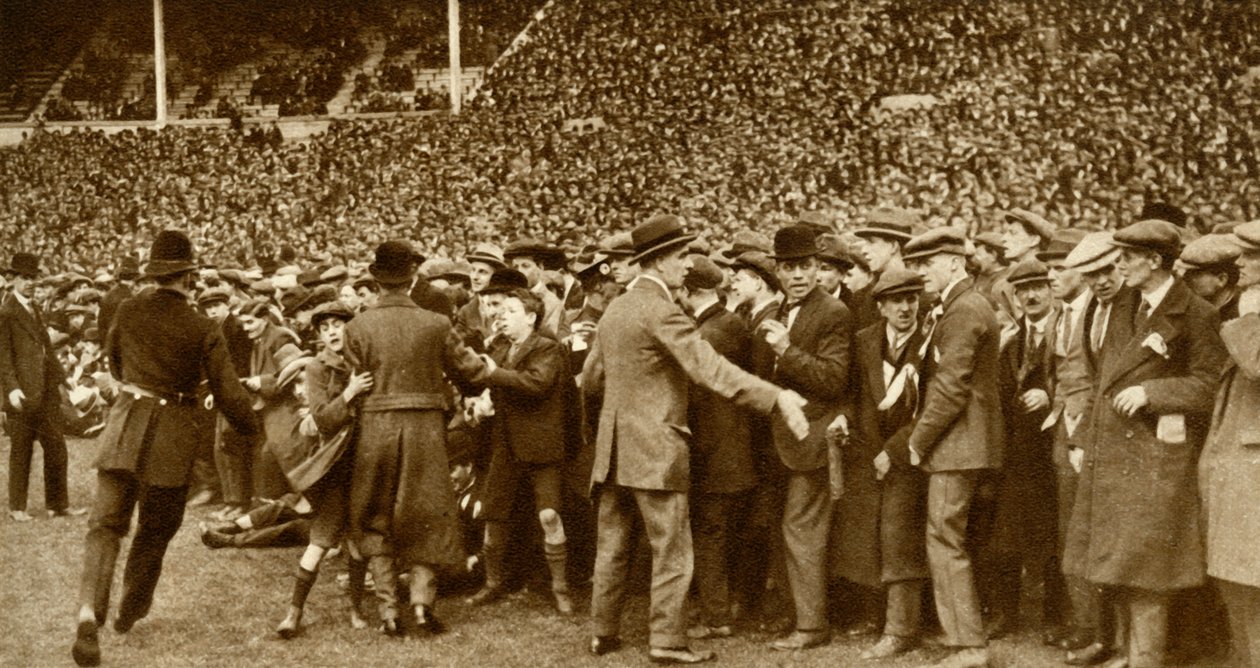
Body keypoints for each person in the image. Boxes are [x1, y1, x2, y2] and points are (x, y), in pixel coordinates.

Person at [581, 214, 810, 665]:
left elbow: (591, 380)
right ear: (661, 260)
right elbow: (711, 370)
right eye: (682, 255)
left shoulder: (615, 308)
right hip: (655, 447)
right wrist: (777, 395)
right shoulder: (661, 310)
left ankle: (601, 633)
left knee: (612, 545)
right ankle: (666, 641)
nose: (688, 265)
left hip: (613, 447)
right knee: (672, 549)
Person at [71, 230, 260, 668]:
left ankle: (87, 611)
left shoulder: (127, 308)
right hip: (171, 439)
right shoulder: (203, 325)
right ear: (189, 276)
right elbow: (229, 392)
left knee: (104, 525)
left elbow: (114, 363)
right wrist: (249, 429)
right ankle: (129, 609)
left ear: (156, 273)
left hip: (123, 427)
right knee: (155, 531)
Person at [1063, 219, 1228, 668]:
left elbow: (1209, 386)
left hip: (1158, 460)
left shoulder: (1195, 313)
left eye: (1129, 258)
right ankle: (1130, 653)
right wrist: (1081, 438)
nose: (1121, 265)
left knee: (1149, 574)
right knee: (1118, 567)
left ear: (1155, 261)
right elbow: (1102, 381)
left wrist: (1153, 393)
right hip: (1114, 454)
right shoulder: (1125, 304)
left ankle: (1146, 660)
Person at [342, 239, 485, 637]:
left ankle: (389, 612)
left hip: (375, 429)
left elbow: (352, 383)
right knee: (427, 516)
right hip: (425, 429)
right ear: (411, 278)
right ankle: (422, 607)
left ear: (376, 279)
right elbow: (470, 372)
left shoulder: (357, 327)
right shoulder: (436, 324)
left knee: (375, 518)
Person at [903, 227, 1005, 668]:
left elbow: (949, 389)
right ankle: (963, 638)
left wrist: (917, 440)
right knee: (951, 536)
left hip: (957, 442)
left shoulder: (964, 309)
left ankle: (969, 645)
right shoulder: (961, 305)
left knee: (945, 537)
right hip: (965, 440)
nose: (919, 273)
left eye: (927, 264)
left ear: (954, 261)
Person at [760, 224, 853, 652]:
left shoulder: (833, 312)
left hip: (814, 439)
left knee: (802, 532)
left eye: (807, 267)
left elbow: (834, 380)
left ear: (819, 269)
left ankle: (813, 626)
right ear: (778, 271)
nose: (799, 275)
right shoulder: (775, 311)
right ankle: (792, 615)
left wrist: (785, 352)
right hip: (780, 441)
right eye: (790, 267)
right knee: (786, 531)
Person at [464, 283, 576, 616]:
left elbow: (536, 384)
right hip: (506, 446)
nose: (502, 318)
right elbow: (490, 389)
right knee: (494, 516)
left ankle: (560, 587)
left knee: (549, 515)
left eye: (511, 312)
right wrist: (478, 403)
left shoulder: (547, 348)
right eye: (500, 313)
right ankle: (493, 583)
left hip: (542, 447)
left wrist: (495, 374)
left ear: (531, 317)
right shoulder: (498, 350)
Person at [840, 268, 930, 661]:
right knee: (867, 537)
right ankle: (874, 616)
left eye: (911, 299)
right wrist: (843, 417)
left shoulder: (929, 343)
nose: (905, 308)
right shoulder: (864, 341)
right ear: (881, 306)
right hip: (865, 453)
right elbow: (849, 392)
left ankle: (901, 629)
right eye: (896, 300)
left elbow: (929, 408)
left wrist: (893, 451)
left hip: (907, 456)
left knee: (900, 539)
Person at [273, 300, 374, 638]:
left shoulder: (366, 360)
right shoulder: (317, 369)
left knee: (358, 540)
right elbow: (320, 418)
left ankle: (356, 610)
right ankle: (293, 613)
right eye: (325, 327)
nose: (332, 332)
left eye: (338, 324)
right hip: (333, 465)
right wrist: (348, 394)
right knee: (321, 539)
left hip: (365, 460)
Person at [676, 255, 758, 640]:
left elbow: (699, 398)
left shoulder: (709, 334)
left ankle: (716, 616)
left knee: (709, 535)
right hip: (736, 449)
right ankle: (731, 605)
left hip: (716, 451)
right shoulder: (729, 323)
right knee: (726, 534)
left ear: (690, 291)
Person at [1200, 220, 1260, 667]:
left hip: (1253, 456)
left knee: (1249, 576)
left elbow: (1256, 364)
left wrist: (1246, 314)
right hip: (1237, 453)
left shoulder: (1249, 313)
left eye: (1252, 257)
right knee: (1238, 578)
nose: (1240, 264)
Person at [1, 251, 84, 522]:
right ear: (13, 279)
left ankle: (57, 505)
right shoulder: (7, 311)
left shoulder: (34, 307)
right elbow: (3, 357)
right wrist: (12, 388)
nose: (29, 283)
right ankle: (17, 507)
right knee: (21, 450)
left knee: (57, 446)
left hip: (46, 390)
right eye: (24, 278)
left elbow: (46, 348)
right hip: (22, 392)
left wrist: (63, 377)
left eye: (32, 278)